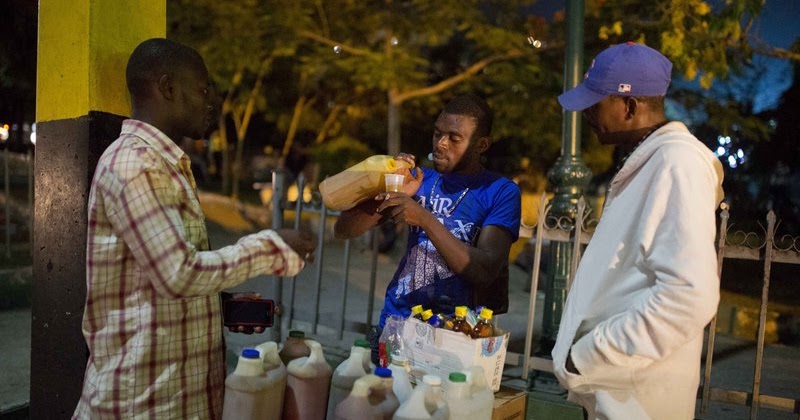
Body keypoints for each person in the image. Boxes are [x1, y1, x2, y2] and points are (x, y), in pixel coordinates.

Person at [73, 38, 316, 419]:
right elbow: (177, 274)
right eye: (203, 90)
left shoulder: (166, 165)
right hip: (141, 405)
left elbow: (154, 282)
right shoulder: (134, 163)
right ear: (168, 88)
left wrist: (220, 308)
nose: (213, 102)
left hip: (181, 399)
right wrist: (271, 247)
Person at [550, 42, 725, 419]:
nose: (587, 114)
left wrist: (590, 354)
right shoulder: (652, 160)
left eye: (595, 103)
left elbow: (690, 295)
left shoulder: (677, 164)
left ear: (628, 106)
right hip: (615, 396)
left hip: (636, 404)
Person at [334, 95, 521, 363]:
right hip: (398, 325)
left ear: (481, 145)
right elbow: (344, 230)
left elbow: (484, 270)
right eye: (437, 134)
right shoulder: (420, 179)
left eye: (454, 138)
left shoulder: (500, 191)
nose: (441, 144)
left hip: (457, 337)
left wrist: (425, 218)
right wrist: (387, 188)